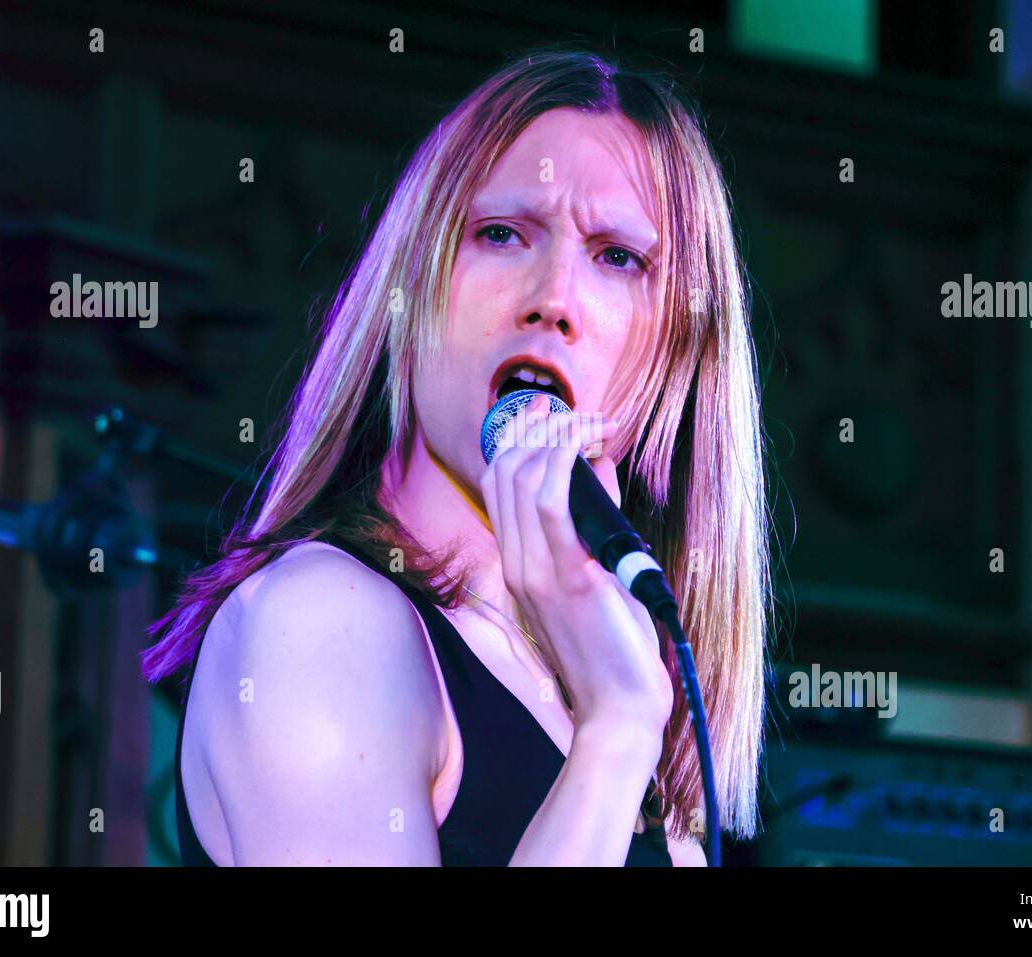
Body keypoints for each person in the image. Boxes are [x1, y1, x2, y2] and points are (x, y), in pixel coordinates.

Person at [142, 47, 774, 866]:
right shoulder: (321, 622)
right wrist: (615, 730)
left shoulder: (627, 702)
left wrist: (621, 721)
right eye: (503, 234)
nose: (553, 298)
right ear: (413, 285)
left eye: (618, 257)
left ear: (673, 356)